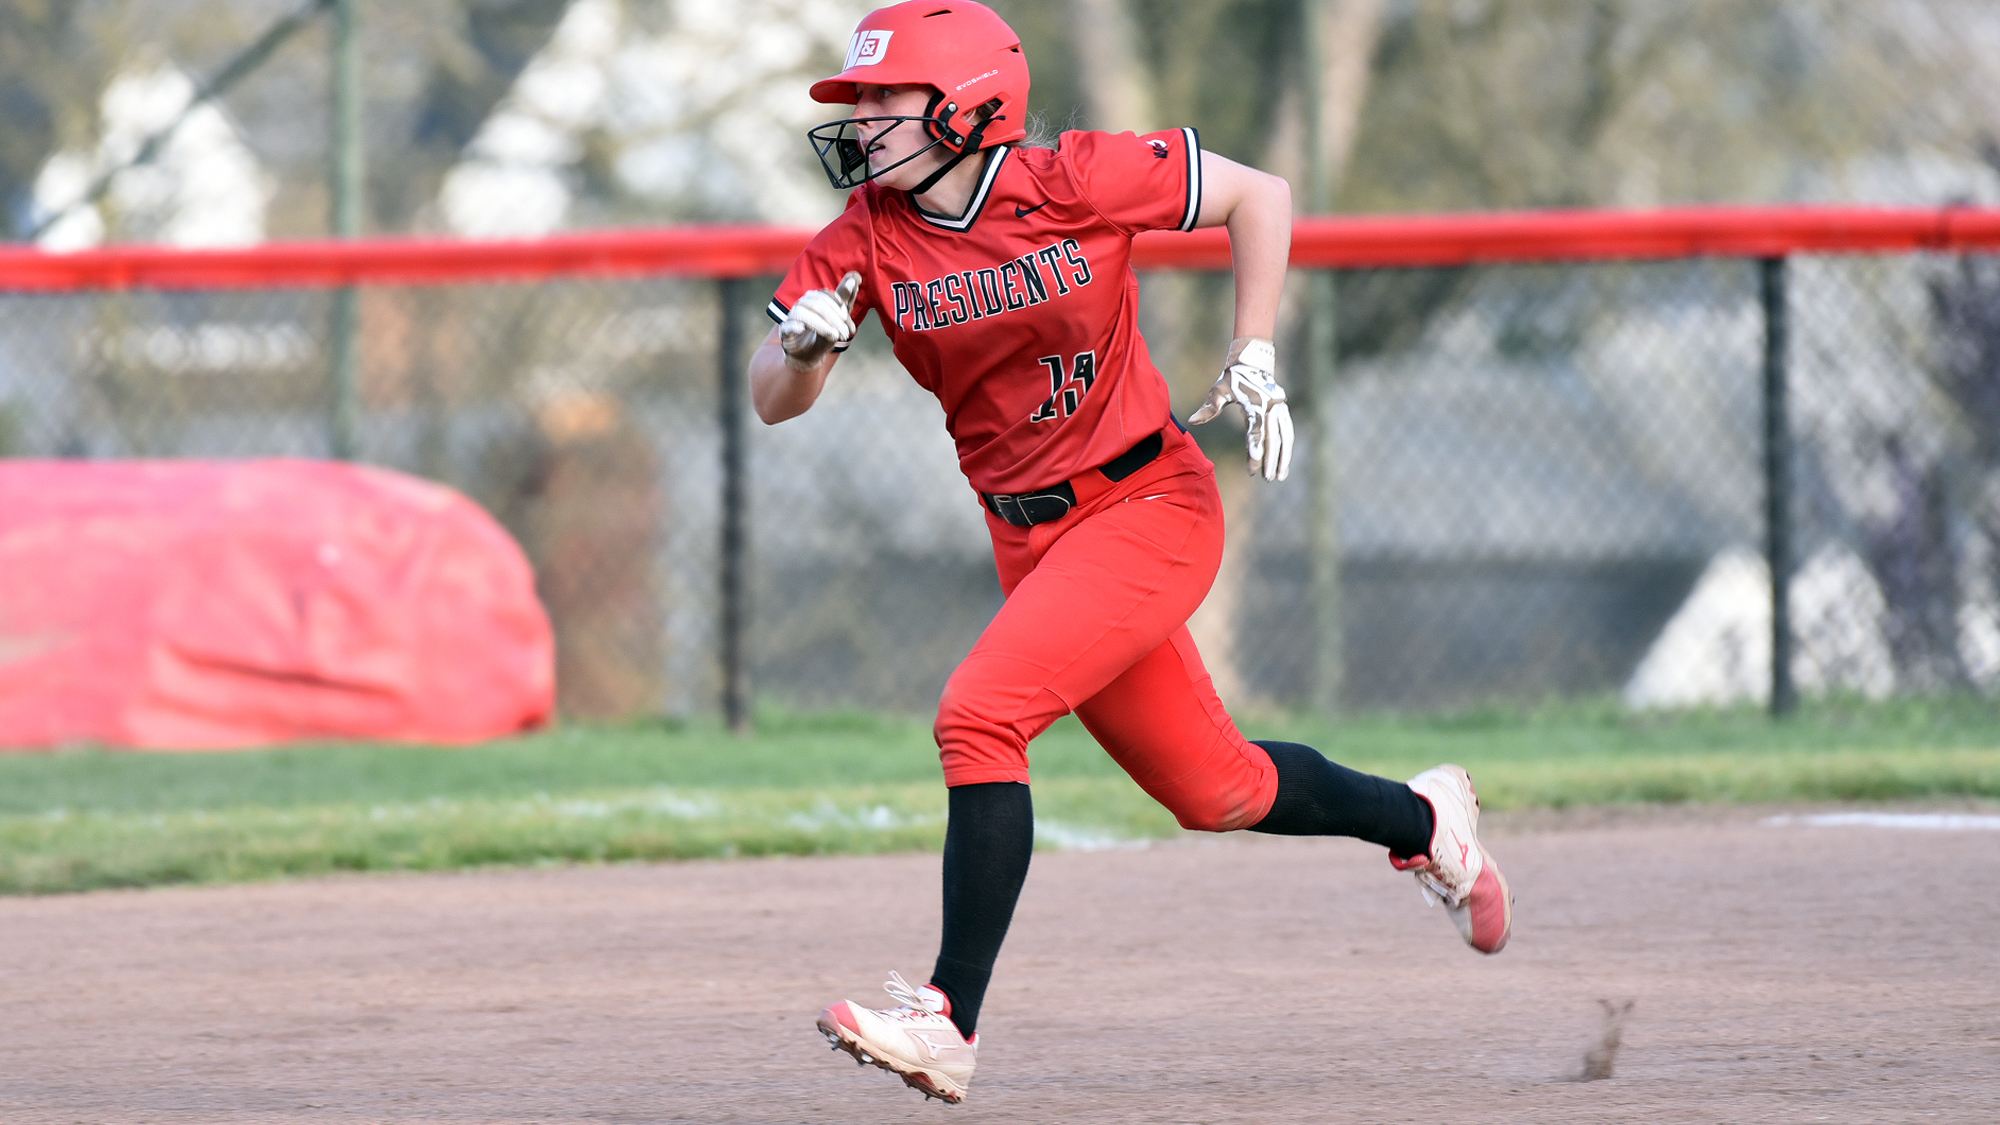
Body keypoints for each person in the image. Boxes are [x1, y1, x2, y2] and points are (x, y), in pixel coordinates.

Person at [751, 1, 1512, 1104]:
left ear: (966, 102)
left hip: (1145, 502)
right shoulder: (863, 237)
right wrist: (801, 352)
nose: (861, 120)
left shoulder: (1069, 178)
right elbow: (770, 402)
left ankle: (948, 1018)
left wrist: (1252, 351)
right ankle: (1425, 819)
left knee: (978, 717)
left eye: (883, 98)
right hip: (1031, 541)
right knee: (1219, 790)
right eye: (855, 100)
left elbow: (1262, 194)